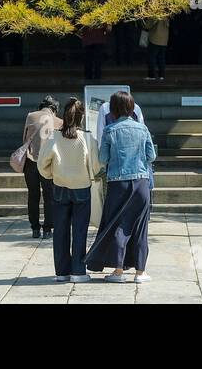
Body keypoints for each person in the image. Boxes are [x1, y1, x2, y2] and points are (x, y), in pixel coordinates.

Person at [86, 91, 157, 283]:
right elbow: (152, 156)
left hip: (118, 183)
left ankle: (118, 271)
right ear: (132, 107)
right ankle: (140, 273)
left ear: (114, 109)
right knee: (140, 227)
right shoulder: (142, 129)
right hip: (141, 182)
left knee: (118, 224)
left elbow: (103, 159)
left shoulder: (110, 130)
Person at [36, 97, 99, 283]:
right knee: (80, 231)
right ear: (81, 118)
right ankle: (78, 271)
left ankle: (62, 272)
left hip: (60, 186)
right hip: (81, 188)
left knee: (60, 231)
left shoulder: (54, 136)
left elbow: (41, 164)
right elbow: (96, 165)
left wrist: (51, 175)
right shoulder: (87, 138)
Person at [22, 96, 62, 238]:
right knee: (49, 195)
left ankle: (35, 228)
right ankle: (47, 229)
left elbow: (24, 139)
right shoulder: (58, 121)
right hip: (49, 163)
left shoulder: (30, 116)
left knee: (33, 195)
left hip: (31, 161)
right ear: (54, 109)